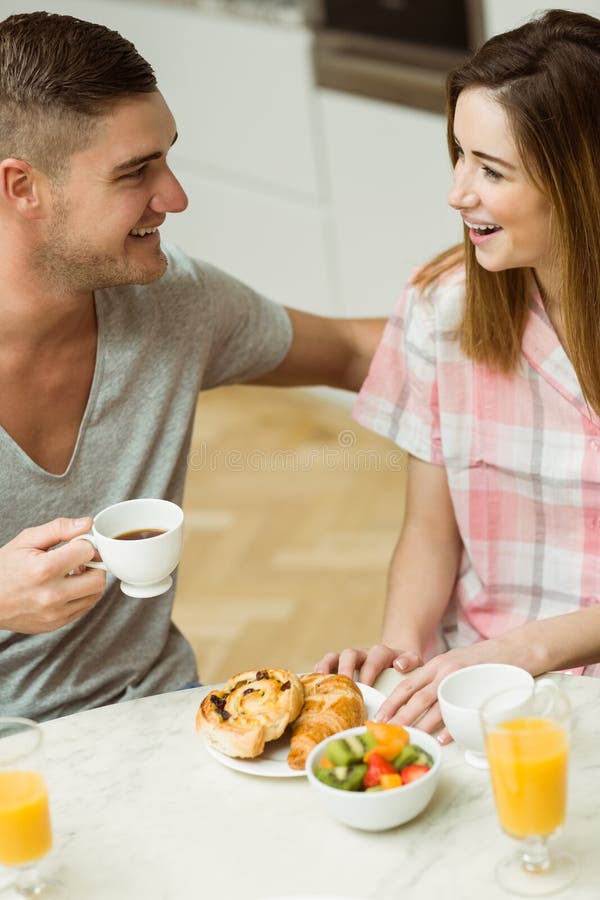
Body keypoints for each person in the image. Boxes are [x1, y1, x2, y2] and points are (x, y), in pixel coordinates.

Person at [0, 11, 383, 722]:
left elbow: (357, 352)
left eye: (166, 158)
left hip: (162, 715)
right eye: (134, 173)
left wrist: (548, 311)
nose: (174, 197)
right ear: (23, 188)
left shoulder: (172, 301)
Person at [316, 8, 600, 742]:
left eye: (491, 170)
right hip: (475, 682)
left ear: (581, 181)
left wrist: (529, 652)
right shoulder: (441, 307)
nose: (458, 193)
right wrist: (403, 650)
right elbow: (429, 530)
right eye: (459, 156)